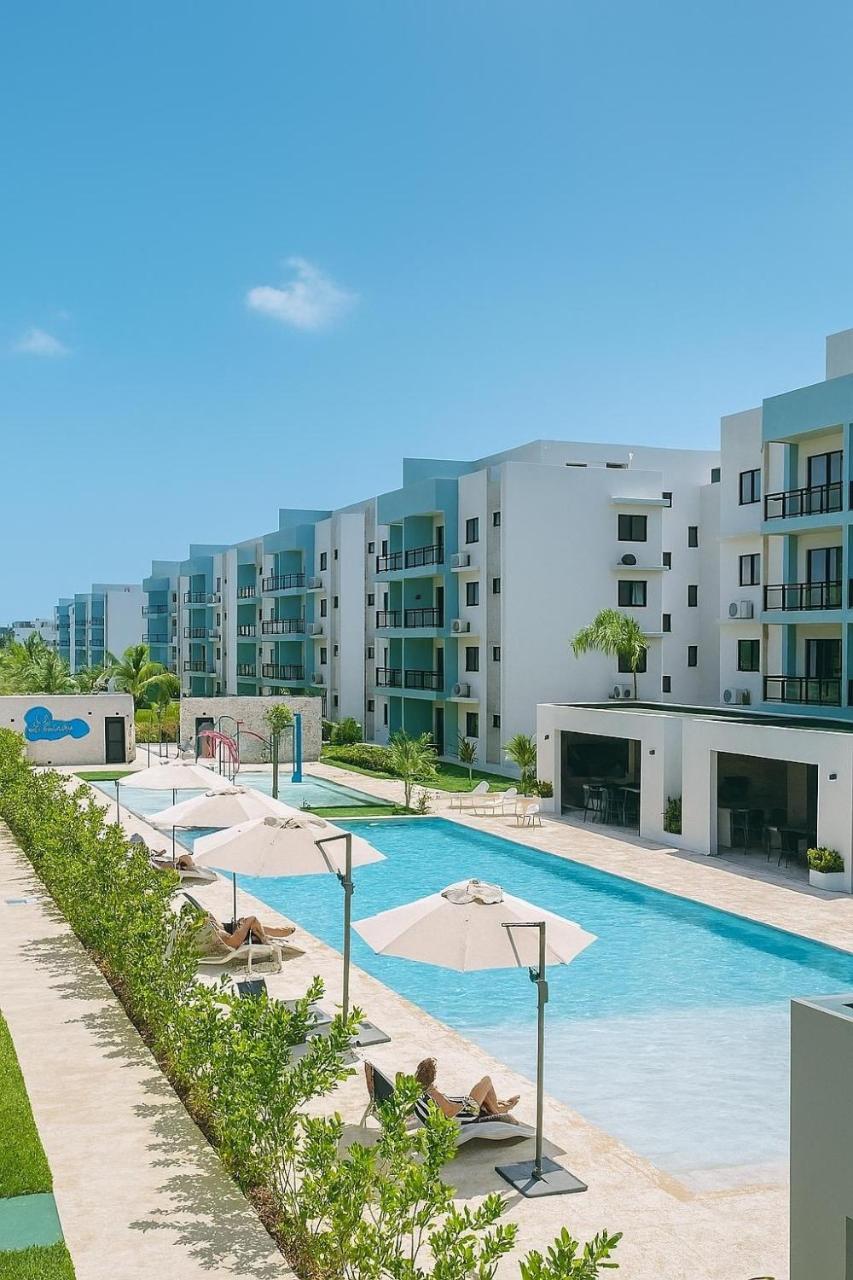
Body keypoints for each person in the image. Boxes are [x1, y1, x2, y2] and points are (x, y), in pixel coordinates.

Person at [414, 1057, 519, 1126]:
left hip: (464, 1111)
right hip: (467, 1113)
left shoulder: (419, 1095)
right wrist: (466, 1102)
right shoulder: (432, 1094)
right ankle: (499, 1111)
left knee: (484, 1096)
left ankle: (503, 1106)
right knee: (486, 1081)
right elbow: (450, 1111)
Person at [208, 912, 295, 949]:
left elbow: (218, 927)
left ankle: (262, 934)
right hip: (233, 938)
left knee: (254, 926)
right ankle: (264, 937)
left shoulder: (208, 929)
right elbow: (252, 919)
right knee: (253, 921)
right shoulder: (216, 934)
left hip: (228, 930)